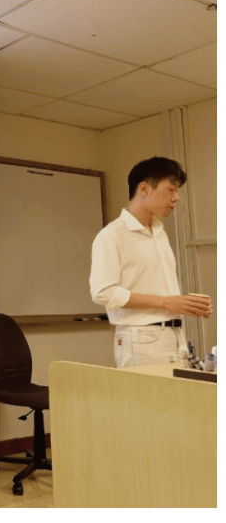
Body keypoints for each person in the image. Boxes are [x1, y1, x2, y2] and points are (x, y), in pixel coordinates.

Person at [90, 157, 211, 368]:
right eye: (171, 190)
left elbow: (157, 289)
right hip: (140, 339)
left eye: (177, 191)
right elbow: (103, 292)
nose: (176, 198)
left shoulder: (159, 233)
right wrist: (165, 302)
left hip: (175, 334)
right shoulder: (111, 235)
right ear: (144, 189)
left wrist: (185, 304)